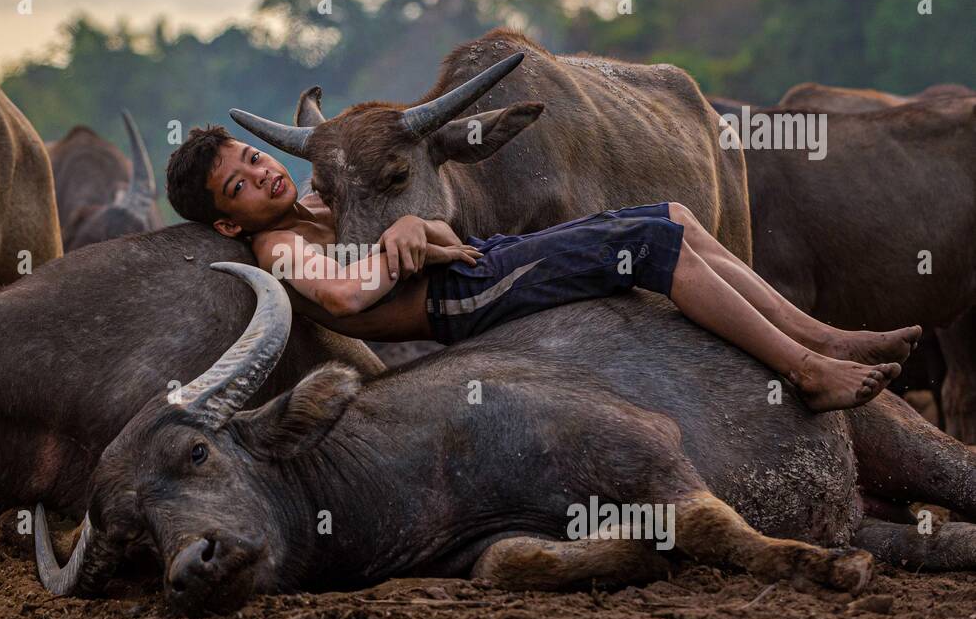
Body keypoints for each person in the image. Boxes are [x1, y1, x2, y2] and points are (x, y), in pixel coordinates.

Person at [165, 126, 919, 413]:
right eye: (240, 185)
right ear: (230, 221)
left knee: (674, 216)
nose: (262, 176)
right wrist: (399, 255)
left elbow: (432, 226)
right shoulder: (280, 247)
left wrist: (412, 226)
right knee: (654, 251)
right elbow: (338, 291)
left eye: (256, 160)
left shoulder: (324, 205)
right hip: (464, 302)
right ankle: (804, 371)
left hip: (475, 266)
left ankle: (825, 336)